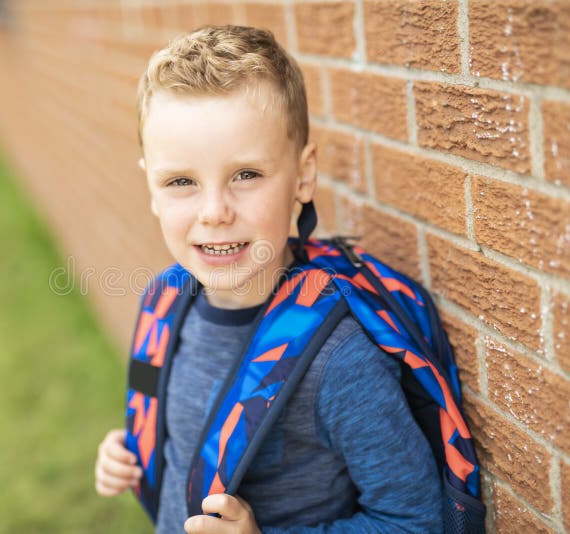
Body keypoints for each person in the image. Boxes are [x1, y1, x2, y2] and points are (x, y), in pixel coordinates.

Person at [94, 25, 443, 533]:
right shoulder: (166, 302)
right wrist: (130, 454)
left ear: (303, 177)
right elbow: (185, 436)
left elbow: (415, 521)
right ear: (151, 187)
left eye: (246, 175)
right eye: (181, 182)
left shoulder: (339, 360)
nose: (214, 212)